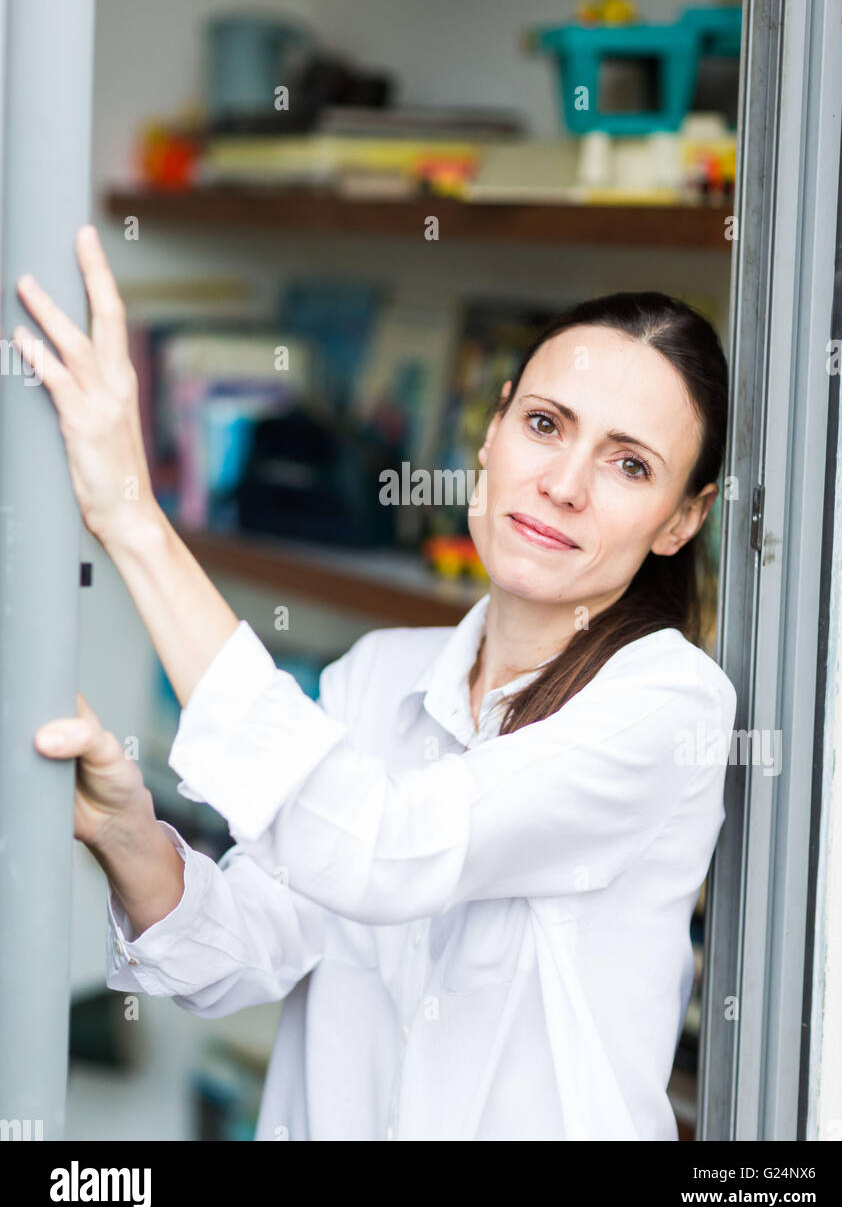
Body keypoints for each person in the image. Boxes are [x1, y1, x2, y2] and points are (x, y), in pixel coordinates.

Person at [14, 226, 736, 1141]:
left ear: (682, 520)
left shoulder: (668, 707)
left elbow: (382, 850)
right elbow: (242, 956)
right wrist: (126, 833)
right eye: (546, 426)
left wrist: (131, 515)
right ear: (496, 428)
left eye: (629, 464)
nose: (563, 484)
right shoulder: (379, 674)